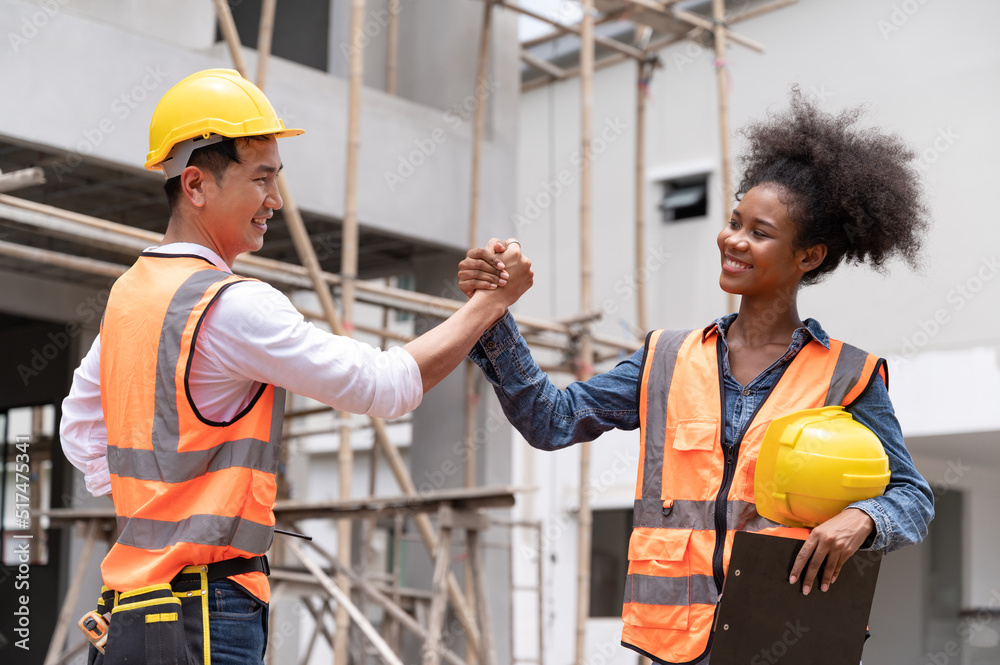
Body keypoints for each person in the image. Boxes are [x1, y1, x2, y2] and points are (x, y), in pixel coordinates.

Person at [59, 68, 531, 665]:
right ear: (198, 185)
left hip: (132, 608)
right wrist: (491, 304)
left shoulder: (129, 298)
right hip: (207, 611)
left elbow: (79, 436)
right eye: (262, 180)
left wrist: (161, 513)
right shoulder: (230, 305)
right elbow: (386, 386)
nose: (275, 201)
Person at [458, 92, 934, 664]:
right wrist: (492, 312)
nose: (733, 240)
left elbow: (911, 497)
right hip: (672, 648)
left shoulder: (848, 375)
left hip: (785, 638)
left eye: (759, 233)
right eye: (734, 222)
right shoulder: (666, 358)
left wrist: (865, 517)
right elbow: (551, 420)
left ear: (808, 256)